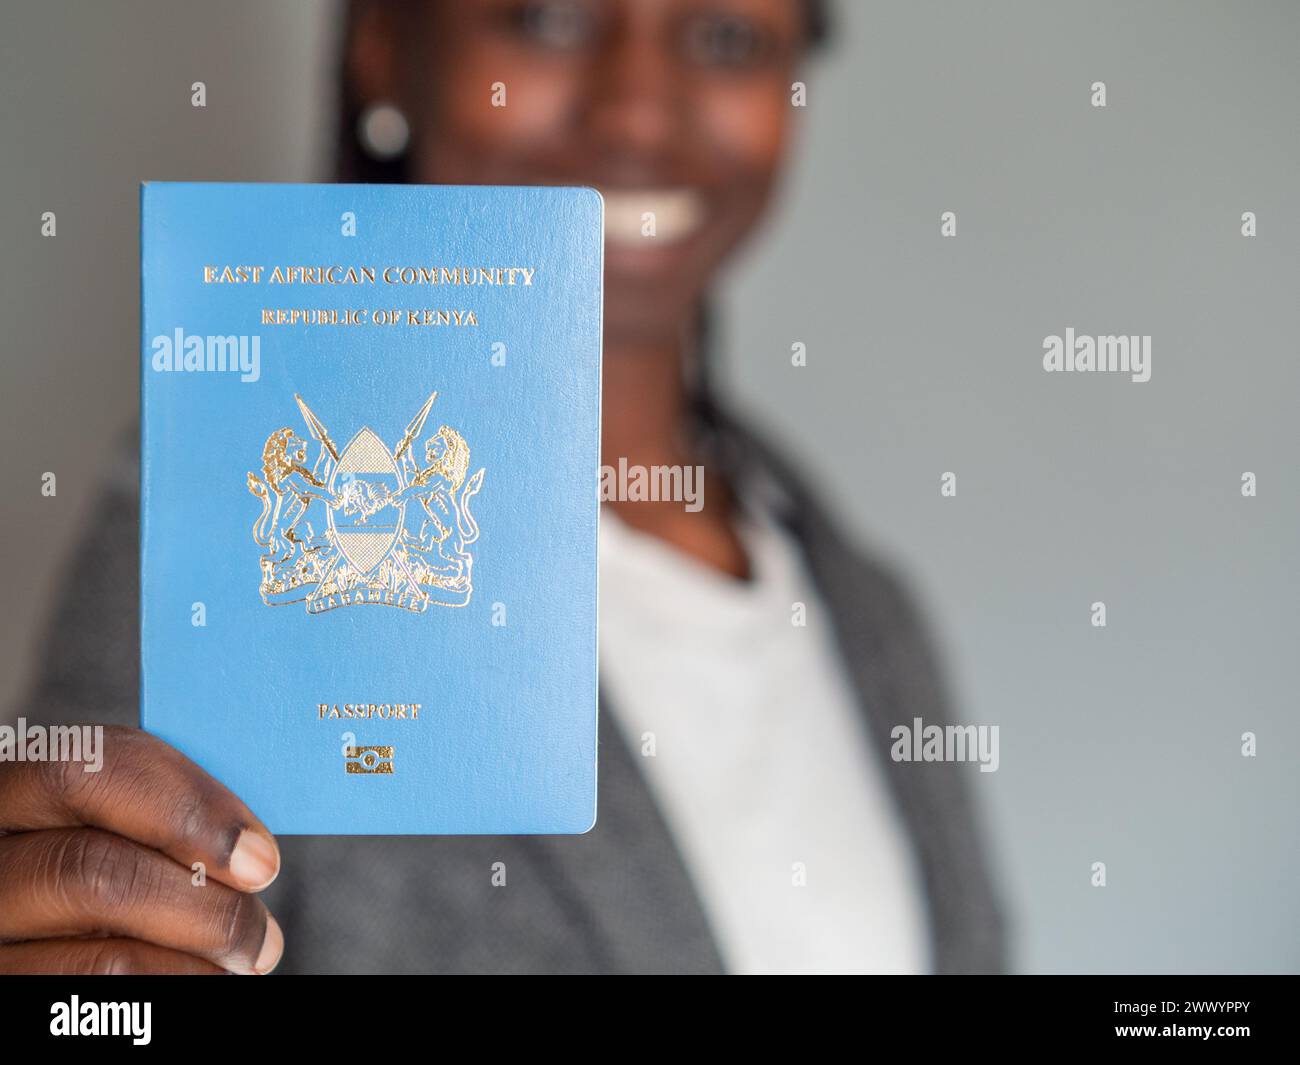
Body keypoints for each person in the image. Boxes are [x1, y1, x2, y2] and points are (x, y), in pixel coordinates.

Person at [2, 0, 1004, 974]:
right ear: (387, 45)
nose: (639, 109)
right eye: (547, 18)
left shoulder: (869, 614)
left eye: (727, 37)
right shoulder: (222, 538)